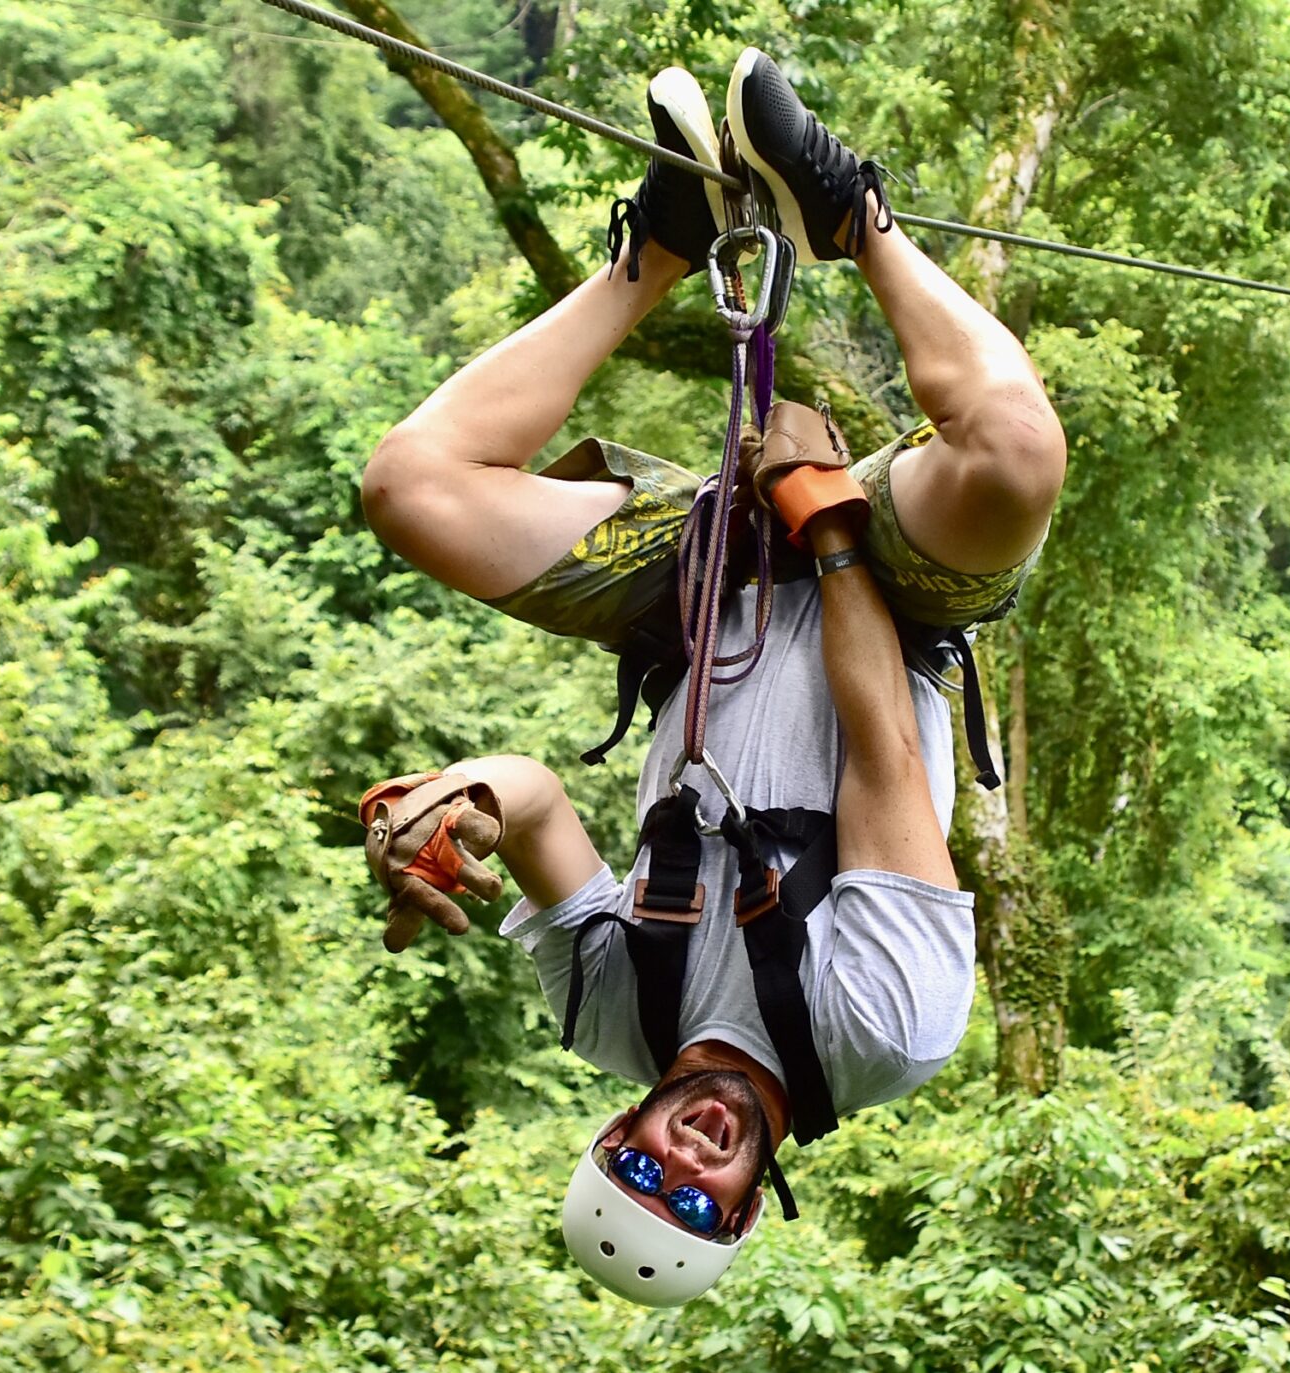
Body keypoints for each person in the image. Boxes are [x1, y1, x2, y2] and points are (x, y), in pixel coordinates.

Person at [355, 48, 1065, 1306]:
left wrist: (454, 803)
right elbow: (887, 762)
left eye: (640, 1168)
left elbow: (527, 803)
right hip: (880, 593)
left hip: (703, 589)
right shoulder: (885, 1032)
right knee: (1012, 454)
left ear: (615, 1128)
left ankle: (669, 239)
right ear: (747, 1208)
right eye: (692, 1201)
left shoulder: (607, 1010)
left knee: (408, 491)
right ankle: (854, 217)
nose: (681, 1160)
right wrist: (818, 510)